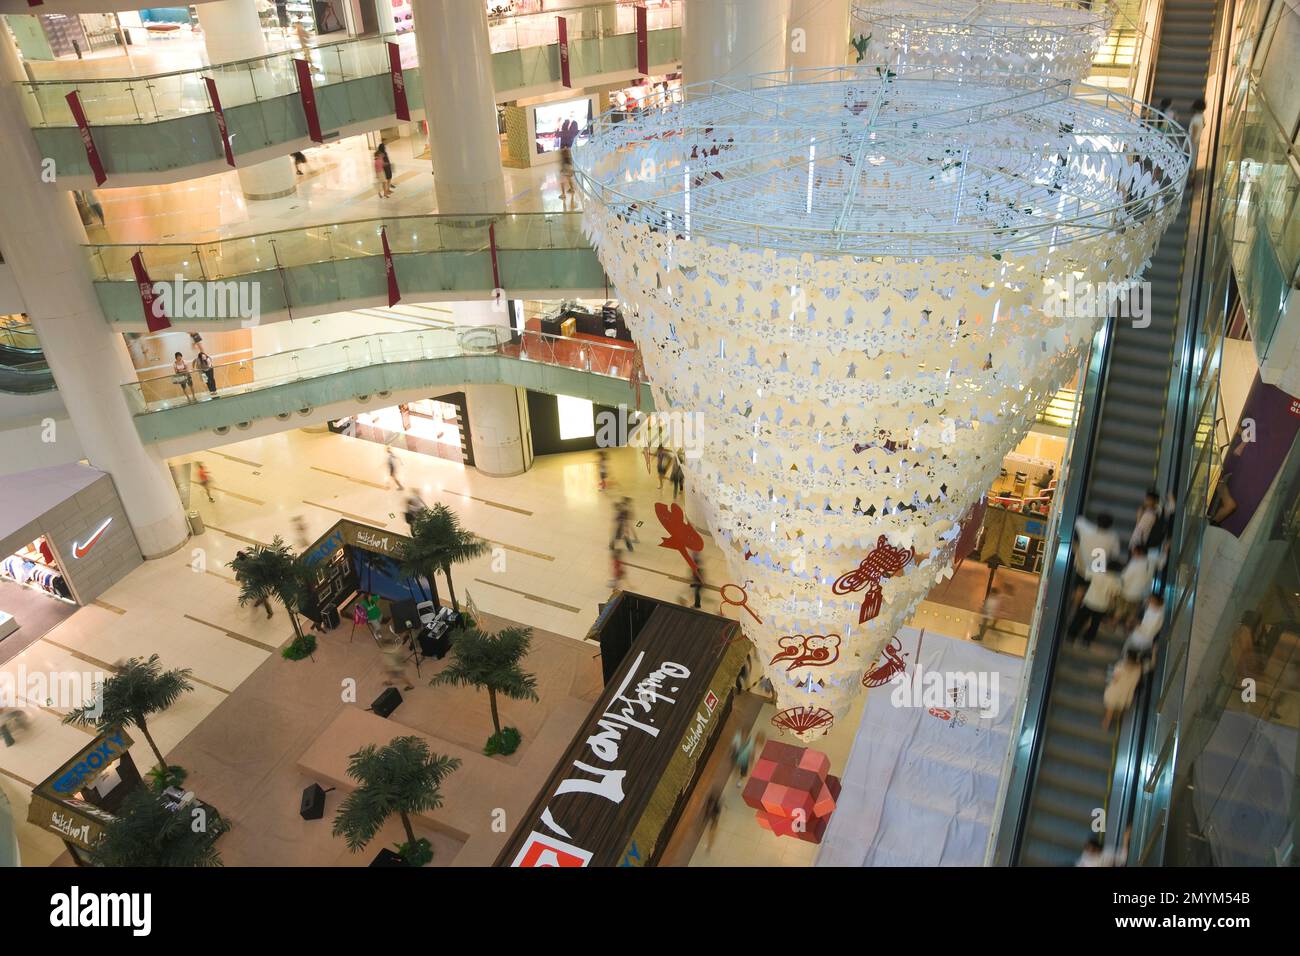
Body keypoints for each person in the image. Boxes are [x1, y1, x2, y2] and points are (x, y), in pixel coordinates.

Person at [1067, 559, 1121, 648]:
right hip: (1102, 605)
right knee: (1094, 624)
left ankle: (1071, 635)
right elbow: (1115, 594)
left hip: (1089, 601)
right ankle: (1087, 640)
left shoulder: (1097, 573)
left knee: (1080, 619)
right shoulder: (1116, 582)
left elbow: (1085, 572)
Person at [1102, 649, 1145, 730]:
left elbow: (1115, 678)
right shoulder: (1138, 669)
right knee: (1120, 706)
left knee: (1110, 708)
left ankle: (1107, 722)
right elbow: (1136, 682)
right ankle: (1118, 718)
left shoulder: (1121, 665)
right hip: (1127, 693)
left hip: (1116, 690)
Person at [1073, 512, 1120, 582]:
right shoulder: (1113, 537)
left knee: (1079, 588)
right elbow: (1115, 556)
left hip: (1082, 568)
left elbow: (1078, 520)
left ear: (1097, 521)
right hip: (1099, 573)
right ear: (1110, 525)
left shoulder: (1085, 529)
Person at [1116, 545, 1155, 628]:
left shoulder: (1134, 564)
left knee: (1121, 609)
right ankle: (1128, 625)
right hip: (1142, 594)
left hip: (1128, 593)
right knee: (1134, 612)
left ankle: (1113, 623)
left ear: (1139, 552)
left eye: (1134, 551)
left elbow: (1125, 578)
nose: (1132, 553)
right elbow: (1161, 562)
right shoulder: (1151, 561)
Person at [1123, 592, 1165, 658]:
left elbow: (1149, 632)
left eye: (1150, 600)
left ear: (1156, 602)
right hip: (1137, 636)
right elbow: (1144, 622)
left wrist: (1135, 624)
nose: (1147, 601)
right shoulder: (1152, 608)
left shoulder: (1158, 618)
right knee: (1127, 648)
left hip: (1141, 641)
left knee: (1129, 655)